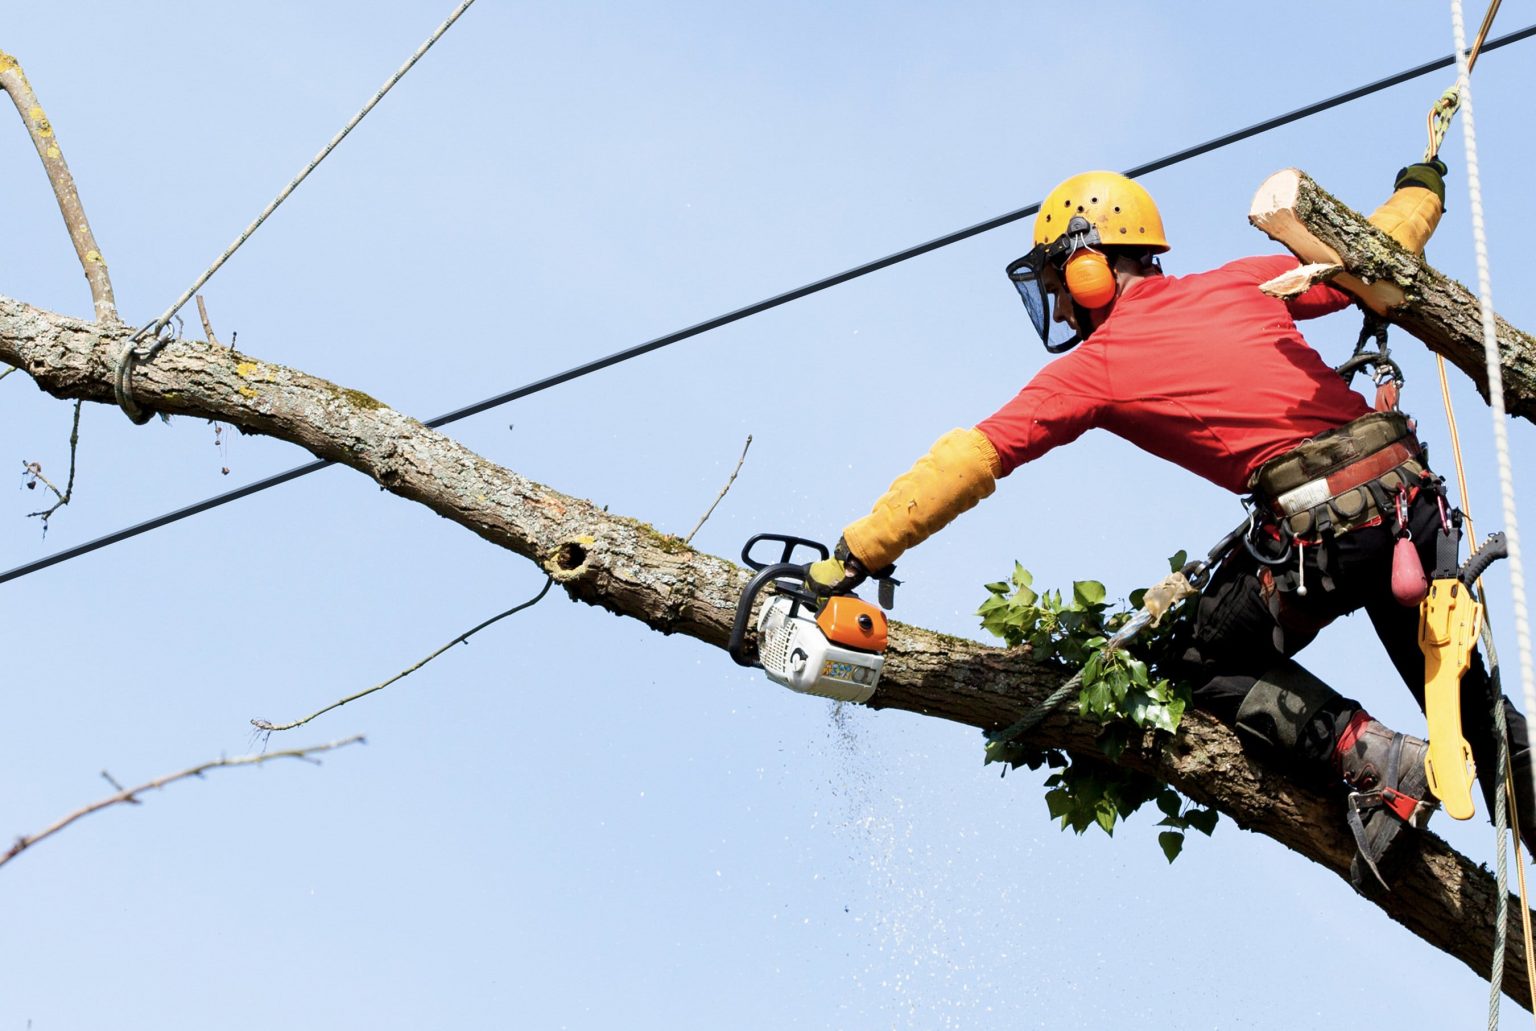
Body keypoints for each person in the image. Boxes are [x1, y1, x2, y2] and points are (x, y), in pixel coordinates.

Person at [813, 164, 1533, 889]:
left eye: (1062, 290)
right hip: (1411, 507)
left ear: (1090, 264)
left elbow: (973, 457)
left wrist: (857, 552)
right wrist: (1422, 189)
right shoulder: (1241, 281)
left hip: (1328, 531)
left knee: (1198, 658)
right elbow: (1373, 250)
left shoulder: (1099, 365)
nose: (1063, 315)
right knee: (1483, 726)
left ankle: (1368, 753)